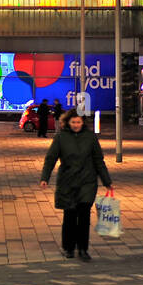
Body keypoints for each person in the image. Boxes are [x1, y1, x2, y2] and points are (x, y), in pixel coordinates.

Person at [39, 109, 114, 262]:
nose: (76, 125)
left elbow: (99, 160)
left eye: (78, 122)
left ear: (82, 122)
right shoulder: (61, 137)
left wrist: (107, 182)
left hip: (87, 182)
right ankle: (69, 247)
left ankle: (83, 249)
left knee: (84, 216)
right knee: (70, 216)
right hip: (68, 182)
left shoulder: (90, 137)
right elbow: (50, 158)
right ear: (68, 122)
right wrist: (44, 177)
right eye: (73, 122)